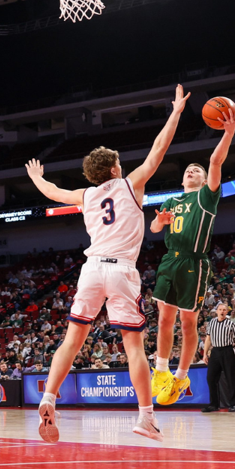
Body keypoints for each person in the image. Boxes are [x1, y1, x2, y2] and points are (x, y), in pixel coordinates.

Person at [26, 84, 188, 444]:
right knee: (133, 345)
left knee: (71, 340)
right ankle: (146, 418)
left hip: (91, 269)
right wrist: (175, 113)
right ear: (115, 167)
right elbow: (158, 151)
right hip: (120, 271)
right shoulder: (130, 184)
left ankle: (49, 396)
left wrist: (37, 178)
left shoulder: (85, 195)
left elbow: (54, 193)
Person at [149, 99, 235, 406]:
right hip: (169, 261)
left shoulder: (206, 197)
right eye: (187, 169)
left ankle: (181, 376)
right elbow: (154, 230)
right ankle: (161, 371)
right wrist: (158, 222)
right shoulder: (172, 202)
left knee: (188, 323)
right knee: (163, 320)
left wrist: (228, 132)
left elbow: (215, 162)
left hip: (194, 263)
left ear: (203, 180)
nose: (191, 171)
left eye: (195, 170)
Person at [199, 302, 235, 413]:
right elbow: (208, 339)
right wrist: (205, 354)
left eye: (224, 310)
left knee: (231, 378)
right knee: (211, 378)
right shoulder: (211, 323)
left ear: (227, 312)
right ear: (217, 311)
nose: (222, 311)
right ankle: (214, 405)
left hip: (227, 351)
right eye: (220, 309)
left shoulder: (231, 324)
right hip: (215, 351)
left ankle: (233, 404)